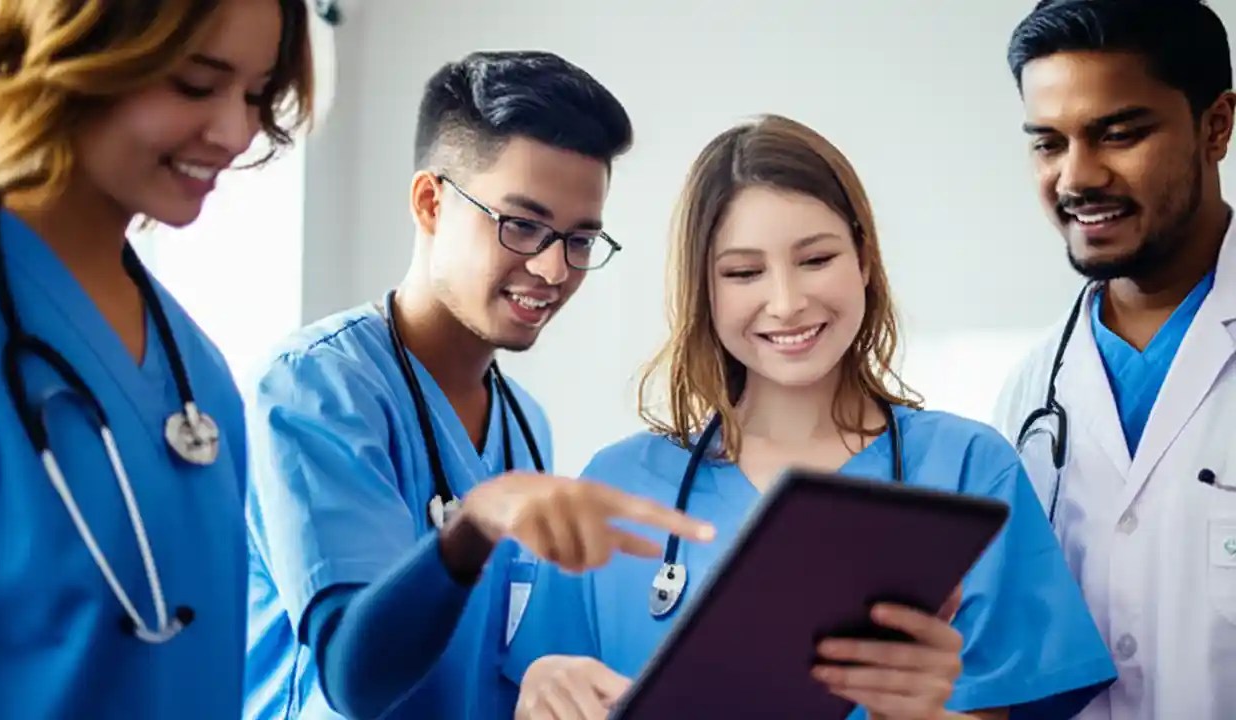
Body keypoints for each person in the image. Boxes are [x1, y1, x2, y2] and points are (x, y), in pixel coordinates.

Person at [503, 114, 1119, 720]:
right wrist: (538, 686)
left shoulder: (967, 471)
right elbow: (540, 697)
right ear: (703, 290)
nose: (787, 303)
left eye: (816, 259)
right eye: (744, 272)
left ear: (864, 259)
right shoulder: (615, 486)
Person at [243, 49, 715, 720]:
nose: (554, 270)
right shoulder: (315, 389)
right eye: (522, 226)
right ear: (431, 202)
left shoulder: (524, 425)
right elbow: (355, 677)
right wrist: (479, 521)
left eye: (581, 240)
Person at [0, 0, 312, 718]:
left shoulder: (202, 378)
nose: (236, 132)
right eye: (194, 85)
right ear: (80, 54)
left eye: (254, 95)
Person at [994, 1, 1236, 717]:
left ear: (1216, 126)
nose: (1077, 176)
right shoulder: (1031, 392)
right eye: (1048, 143)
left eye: (1118, 134)